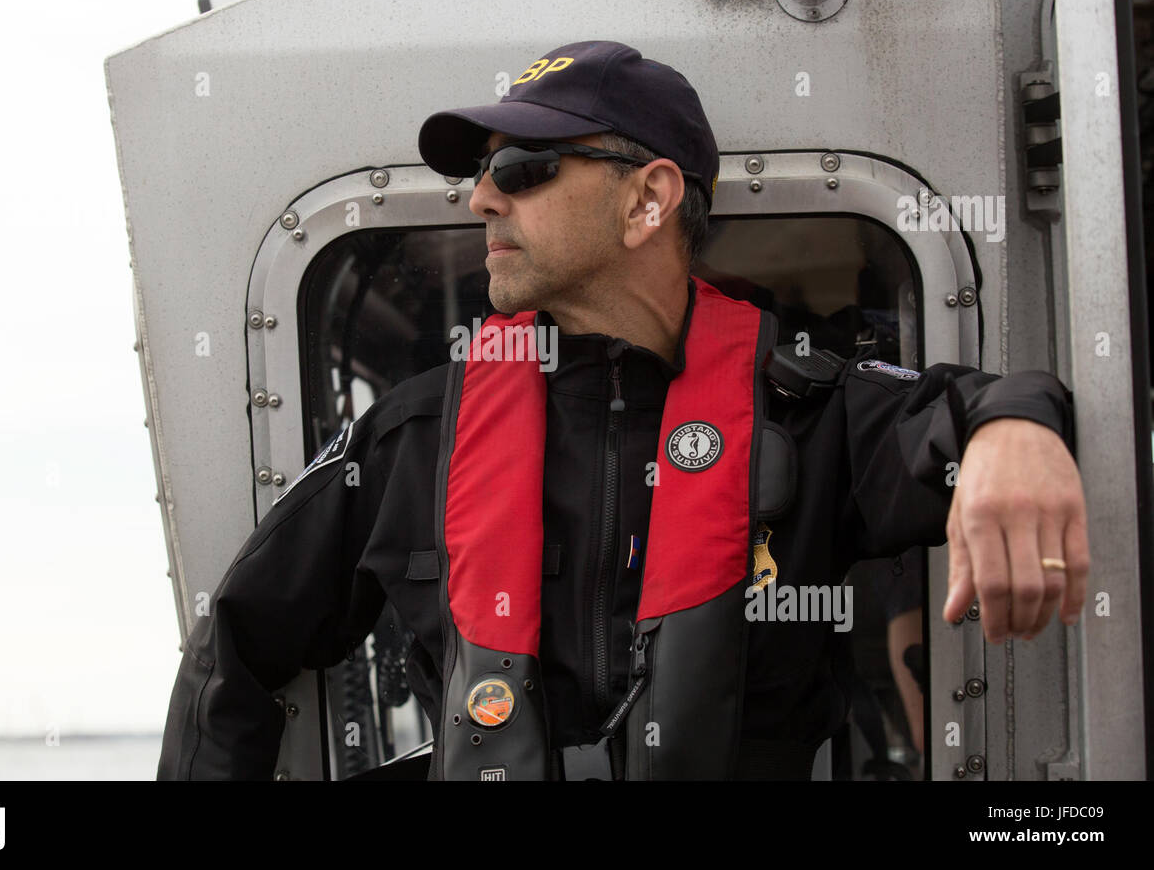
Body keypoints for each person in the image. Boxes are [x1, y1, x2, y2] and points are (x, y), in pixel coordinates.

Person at [156, 40, 1087, 780]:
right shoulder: (414, 438)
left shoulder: (810, 414)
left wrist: (1018, 431)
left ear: (649, 200)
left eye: (523, 167)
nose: (481, 197)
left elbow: (959, 411)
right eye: (484, 173)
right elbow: (236, 644)